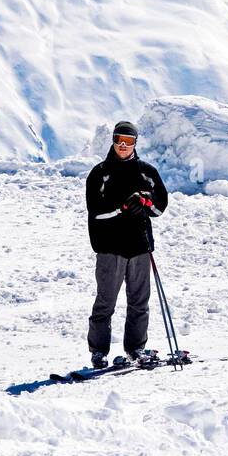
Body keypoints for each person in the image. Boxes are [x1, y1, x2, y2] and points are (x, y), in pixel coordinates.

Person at [84, 120, 169, 369]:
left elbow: (159, 208)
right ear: (112, 141)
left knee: (139, 301)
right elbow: (96, 213)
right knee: (105, 301)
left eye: (129, 141)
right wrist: (121, 208)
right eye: (119, 140)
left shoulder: (147, 172)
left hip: (140, 246)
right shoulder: (99, 173)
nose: (123, 145)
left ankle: (136, 348)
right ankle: (98, 351)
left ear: (135, 143)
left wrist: (145, 201)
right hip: (110, 248)